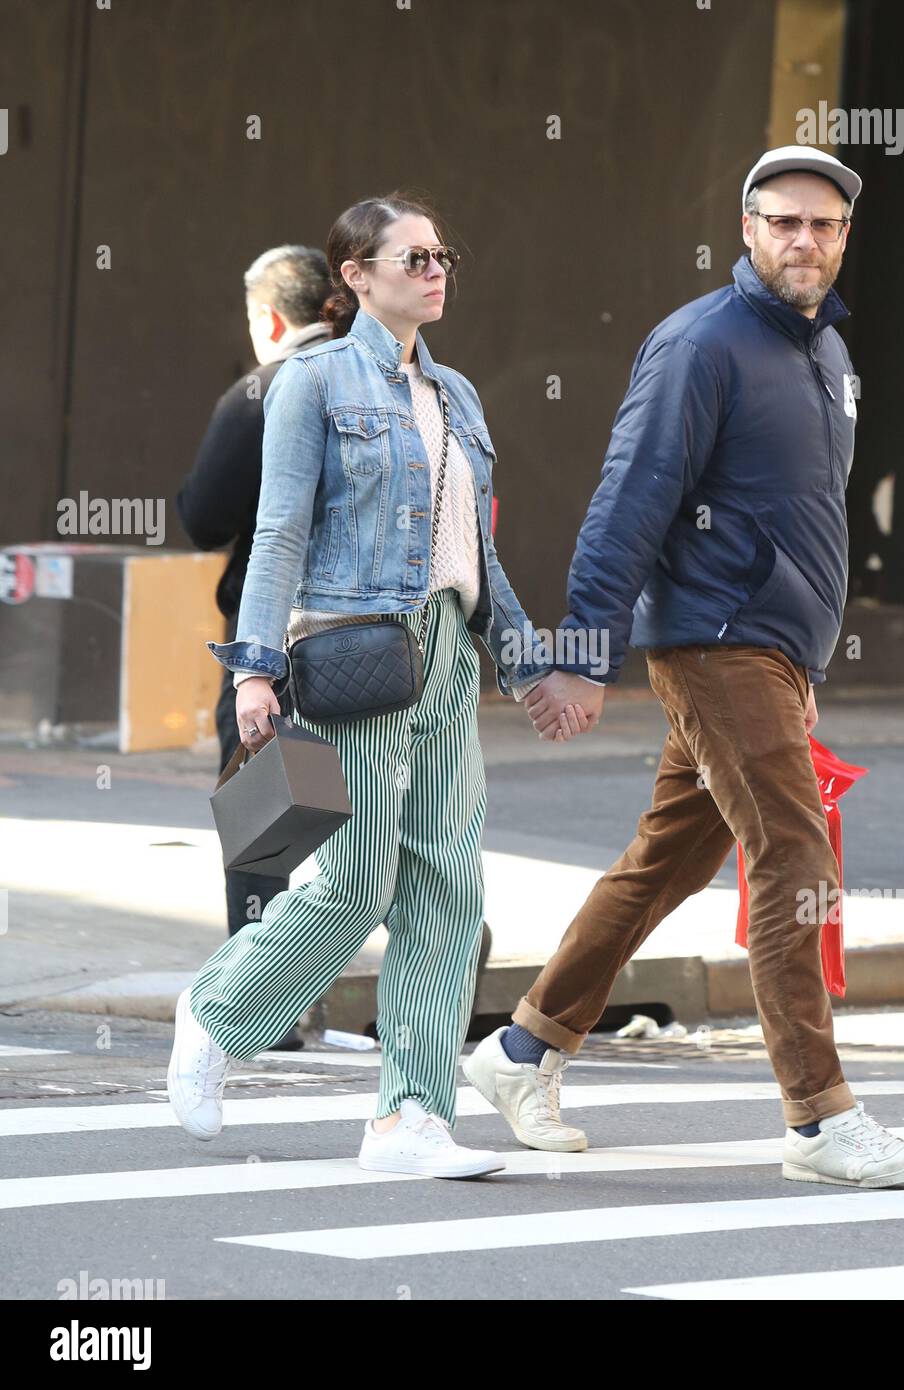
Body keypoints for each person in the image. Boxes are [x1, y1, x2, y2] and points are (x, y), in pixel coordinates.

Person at [465, 146, 904, 1190]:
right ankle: (820, 1118)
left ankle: (524, 1047)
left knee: (670, 859)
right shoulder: (700, 345)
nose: (803, 241)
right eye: (784, 222)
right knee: (793, 854)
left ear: (844, 238)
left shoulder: (827, 355)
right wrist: (583, 653)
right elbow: (627, 499)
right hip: (715, 639)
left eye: (822, 226)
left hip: (771, 650)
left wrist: (803, 657)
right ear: (747, 228)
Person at [167, 192, 586, 1178]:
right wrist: (256, 667)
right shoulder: (308, 382)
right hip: (354, 650)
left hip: (444, 652)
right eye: (414, 257)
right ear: (355, 277)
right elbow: (276, 531)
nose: (436, 270)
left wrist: (530, 665)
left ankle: (411, 1116)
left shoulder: (460, 397)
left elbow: (476, 553)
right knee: (355, 879)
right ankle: (217, 1010)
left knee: (447, 883)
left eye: (444, 255)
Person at [176, 245, 332, 1051]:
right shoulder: (399, 380)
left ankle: (258, 1007)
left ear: (270, 318)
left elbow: (202, 515)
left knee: (265, 817)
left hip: (278, 639)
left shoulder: (265, 388)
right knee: (369, 812)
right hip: (384, 647)